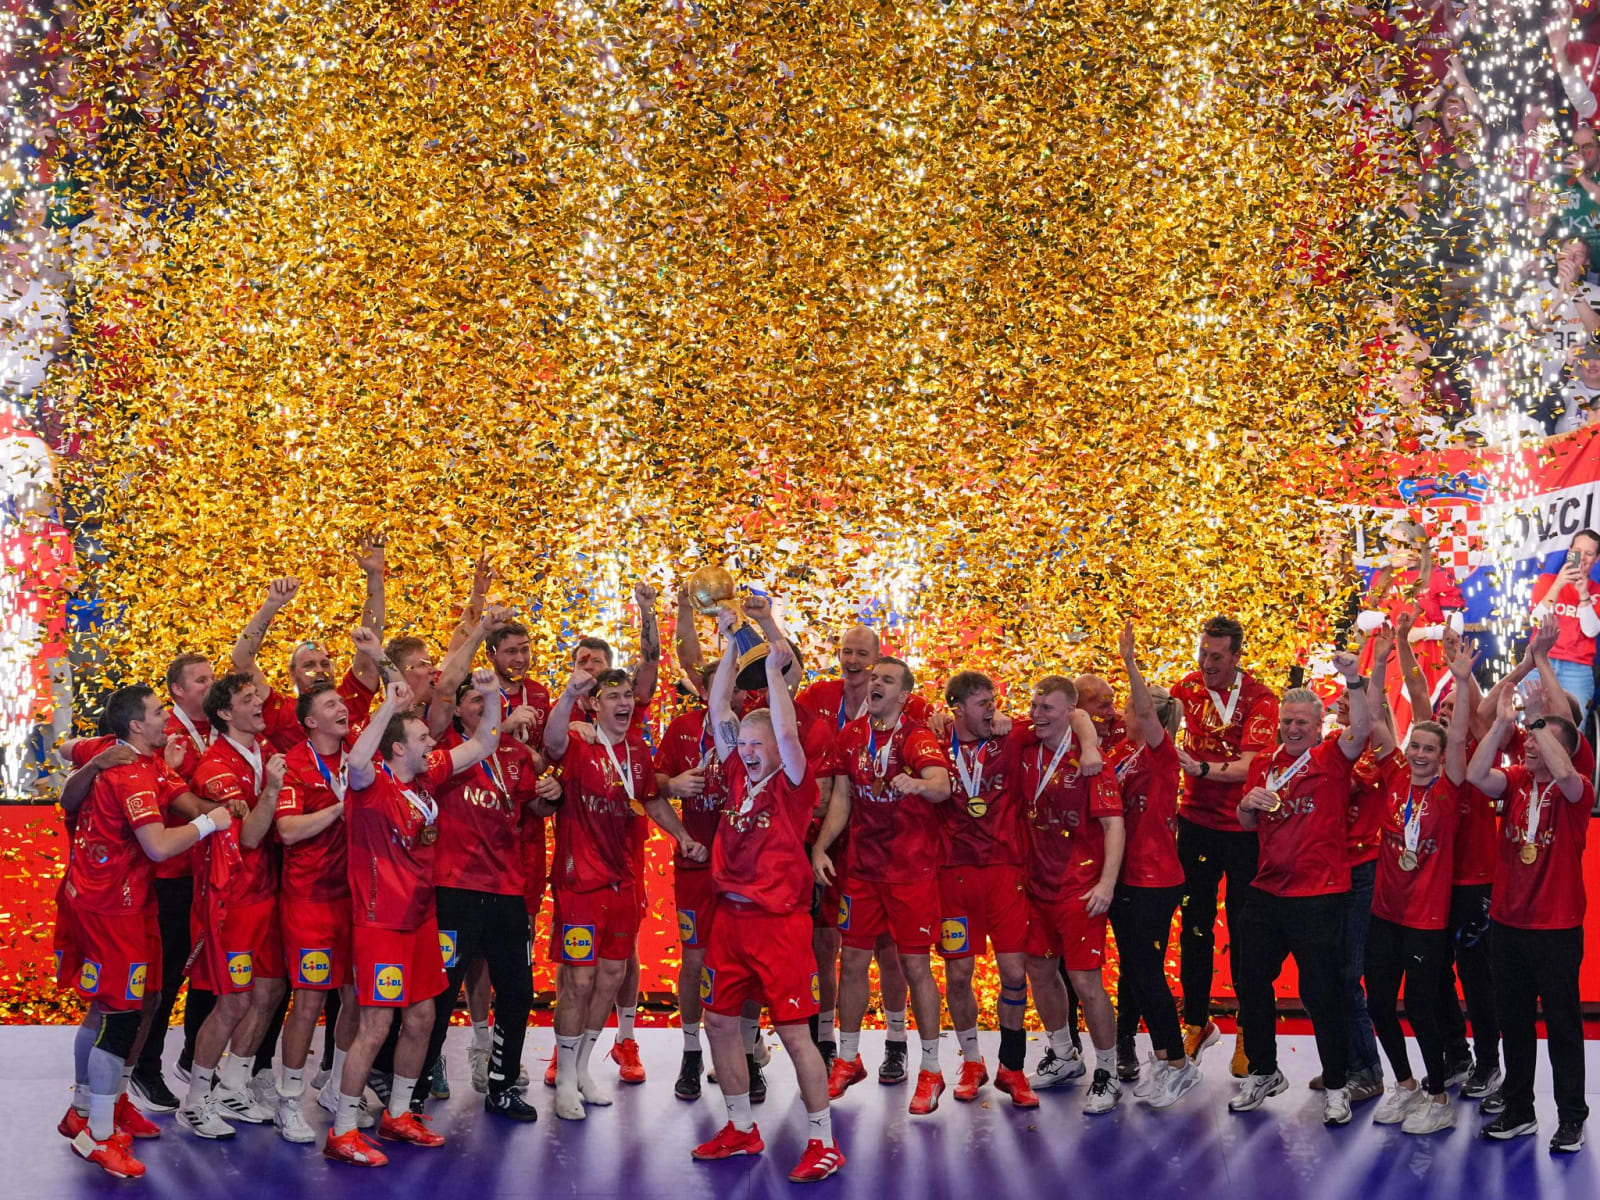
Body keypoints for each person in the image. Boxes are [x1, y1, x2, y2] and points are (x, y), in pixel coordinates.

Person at [322, 671, 502, 1167]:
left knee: (422, 1017)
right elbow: (357, 758)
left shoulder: (427, 776)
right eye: (422, 737)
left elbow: (486, 741)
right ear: (398, 748)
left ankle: (398, 1113)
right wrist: (388, 707)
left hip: (421, 920)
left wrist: (490, 697)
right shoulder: (371, 785)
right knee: (374, 1027)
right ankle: (341, 1130)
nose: (432, 742)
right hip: (380, 923)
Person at [58, 685, 234, 1180]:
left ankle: (92, 1108)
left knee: (129, 1003)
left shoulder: (142, 759)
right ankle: (97, 1132)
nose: (166, 720)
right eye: (159, 713)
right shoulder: (130, 772)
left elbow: (72, 754)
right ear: (136, 725)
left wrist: (204, 802)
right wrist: (210, 824)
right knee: (121, 1015)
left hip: (118, 900)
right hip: (112, 906)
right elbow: (158, 846)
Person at [691, 621, 843, 1182]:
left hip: (779, 925)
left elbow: (786, 730)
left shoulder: (793, 782)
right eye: (745, 744)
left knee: (796, 1033)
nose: (750, 751)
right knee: (720, 1023)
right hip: (729, 919)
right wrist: (732, 643)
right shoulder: (736, 770)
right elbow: (716, 707)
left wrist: (776, 675)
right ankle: (739, 1127)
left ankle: (823, 1141)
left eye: (761, 745)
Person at [544, 664, 706, 1121]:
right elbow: (553, 742)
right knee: (579, 981)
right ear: (594, 704)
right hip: (579, 883)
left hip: (623, 882)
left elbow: (651, 798)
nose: (622, 703)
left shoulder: (636, 748)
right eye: (611, 697)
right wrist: (567, 696)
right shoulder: (577, 743)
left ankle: (580, 1070)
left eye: (626, 697)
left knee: (612, 977)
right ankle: (566, 1081)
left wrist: (681, 836)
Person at [1230, 652, 1370, 1125]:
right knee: (1251, 982)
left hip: (1318, 894)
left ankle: (1336, 1085)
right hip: (1268, 890)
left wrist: (1354, 680)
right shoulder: (1264, 766)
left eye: (1302, 723)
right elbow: (1246, 823)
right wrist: (1247, 804)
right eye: (1287, 721)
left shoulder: (1331, 757)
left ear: (1317, 726)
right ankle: (1265, 1070)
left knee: (1321, 992)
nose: (1292, 729)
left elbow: (1364, 730)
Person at [811, 657, 953, 1114]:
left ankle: (931, 1068)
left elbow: (943, 784)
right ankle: (848, 1059)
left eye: (886, 680)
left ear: (903, 694)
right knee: (850, 961)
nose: (875, 684)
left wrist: (919, 783)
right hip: (864, 873)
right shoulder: (852, 736)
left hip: (910, 874)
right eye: (874, 678)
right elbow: (842, 801)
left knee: (915, 968)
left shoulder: (916, 735)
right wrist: (820, 848)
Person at [415, 672, 557, 1123]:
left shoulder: (516, 754)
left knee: (518, 992)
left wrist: (553, 794)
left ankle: (501, 1085)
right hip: (453, 890)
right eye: (476, 699)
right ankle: (412, 1090)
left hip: (506, 890)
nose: (483, 705)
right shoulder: (445, 755)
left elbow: (536, 806)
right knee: (440, 994)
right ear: (457, 709)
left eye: (490, 699)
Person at [797, 623, 928, 1083]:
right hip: (839, 846)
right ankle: (831, 1045)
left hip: (892, 853)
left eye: (863, 655)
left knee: (891, 955)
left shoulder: (916, 711)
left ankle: (896, 1045)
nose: (853, 661)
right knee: (833, 949)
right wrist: (819, 845)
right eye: (845, 652)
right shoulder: (820, 698)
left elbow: (940, 756)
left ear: (879, 661)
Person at [1466, 684, 1593, 1153]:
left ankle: (1572, 1117)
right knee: (1514, 1021)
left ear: (1563, 748)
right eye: (1531, 740)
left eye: (1542, 740)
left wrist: (1540, 722)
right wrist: (1503, 723)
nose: (1532, 744)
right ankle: (1519, 1109)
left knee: (1562, 1026)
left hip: (1556, 927)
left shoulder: (1576, 789)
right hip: (1508, 922)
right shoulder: (1517, 779)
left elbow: (1565, 768)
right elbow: (1478, 774)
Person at [1361, 642, 1470, 1136]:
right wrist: (1367, 669)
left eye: (1430, 748)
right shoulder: (1396, 777)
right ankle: (1403, 1085)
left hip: (1426, 919)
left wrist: (1463, 682)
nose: (1421, 754)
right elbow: (1376, 720)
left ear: (1443, 756)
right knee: (1379, 1001)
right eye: (1416, 747)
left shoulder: (1449, 790)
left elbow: (1461, 733)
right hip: (1385, 913)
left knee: (1423, 1008)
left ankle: (1437, 1095)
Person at [177, 674, 289, 1139]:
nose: (260, 702)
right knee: (232, 1001)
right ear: (225, 713)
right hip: (230, 901)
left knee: (270, 991)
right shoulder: (214, 768)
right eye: (249, 699)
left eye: (258, 695)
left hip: (267, 894)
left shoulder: (263, 751)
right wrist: (272, 792)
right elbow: (248, 835)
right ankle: (196, 1100)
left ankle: (233, 1087)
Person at [1170, 616, 1279, 1074]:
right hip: (1194, 824)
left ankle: (1248, 1034)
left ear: (1236, 657)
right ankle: (1196, 1021)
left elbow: (1251, 765)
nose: (1207, 663)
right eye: (1203, 652)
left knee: (1246, 933)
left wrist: (1199, 769)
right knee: (1194, 925)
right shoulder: (1185, 688)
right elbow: (1150, 725)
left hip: (1243, 830)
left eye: (1217, 656)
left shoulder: (1261, 699)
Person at [1020, 675, 1124, 1113]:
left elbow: (1114, 825)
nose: (1038, 714)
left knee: (1085, 980)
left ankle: (1109, 1071)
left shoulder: (1091, 762)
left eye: (1048, 708)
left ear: (1070, 713)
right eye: (1035, 705)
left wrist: (1105, 884)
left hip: (1079, 888)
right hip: (1035, 885)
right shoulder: (1025, 750)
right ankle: (1064, 1054)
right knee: (1039, 971)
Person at [1108, 622, 1200, 1109]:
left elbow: (1146, 711)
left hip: (1155, 878)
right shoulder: (1120, 754)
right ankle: (1162, 1057)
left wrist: (1130, 664)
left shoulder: (1162, 754)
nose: (1125, 713)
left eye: (1131, 708)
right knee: (1136, 971)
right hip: (1124, 878)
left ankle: (1179, 1066)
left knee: (1145, 970)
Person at [936, 669, 1038, 1107]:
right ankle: (972, 1060)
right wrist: (933, 720)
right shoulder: (934, 741)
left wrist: (1010, 720)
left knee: (1016, 973)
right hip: (953, 874)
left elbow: (1074, 718)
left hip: (1005, 872)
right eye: (982, 703)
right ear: (957, 708)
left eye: (994, 701)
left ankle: (1012, 1068)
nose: (991, 709)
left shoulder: (1011, 737)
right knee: (959, 974)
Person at [128, 652, 219, 1111]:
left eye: (213, 678)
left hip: (214, 875)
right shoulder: (162, 737)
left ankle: (191, 1056)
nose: (210, 684)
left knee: (212, 972)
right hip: (170, 876)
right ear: (178, 691)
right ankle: (143, 1067)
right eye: (200, 680)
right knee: (163, 980)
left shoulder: (220, 731)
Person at [275, 676, 363, 1142]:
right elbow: (287, 830)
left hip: (356, 897)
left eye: (343, 703)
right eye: (332, 705)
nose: (343, 709)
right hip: (310, 898)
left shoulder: (359, 755)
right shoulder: (293, 764)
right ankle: (289, 1101)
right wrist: (337, 810)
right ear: (310, 722)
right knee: (308, 1001)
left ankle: (335, 1087)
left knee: (356, 996)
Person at [655, 658, 746, 1100]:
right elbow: (652, 782)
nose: (725, 695)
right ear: (703, 690)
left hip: (745, 868)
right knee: (694, 960)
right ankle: (691, 1053)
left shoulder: (754, 729)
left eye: (732, 688)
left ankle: (747, 1055)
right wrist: (672, 784)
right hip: (695, 865)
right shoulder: (683, 728)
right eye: (716, 687)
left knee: (745, 961)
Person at [1528, 529, 1600, 711]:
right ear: (1569, 552)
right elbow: (1536, 621)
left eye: (1589, 554)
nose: (1582, 558)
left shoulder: (1596, 592)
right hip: (1540, 661)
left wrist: (1583, 593)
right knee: (1529, 721)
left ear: (1597, 559)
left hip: (1577, 669)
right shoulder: (1546, 581)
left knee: (1574, 727)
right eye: (1577, 552)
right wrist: (1559, 584)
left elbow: (1591, 631)